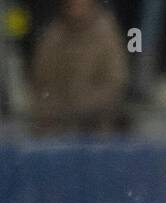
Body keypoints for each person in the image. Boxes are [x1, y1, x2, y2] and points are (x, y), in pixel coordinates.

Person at [30, 0, 128, 136]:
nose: (76, 6)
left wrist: (82, 105)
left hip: (96, 123)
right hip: (57, 124)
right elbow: (41, 82)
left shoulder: (106, 35)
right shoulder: (54, 36)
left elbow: (115, 83)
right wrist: (53, 106)